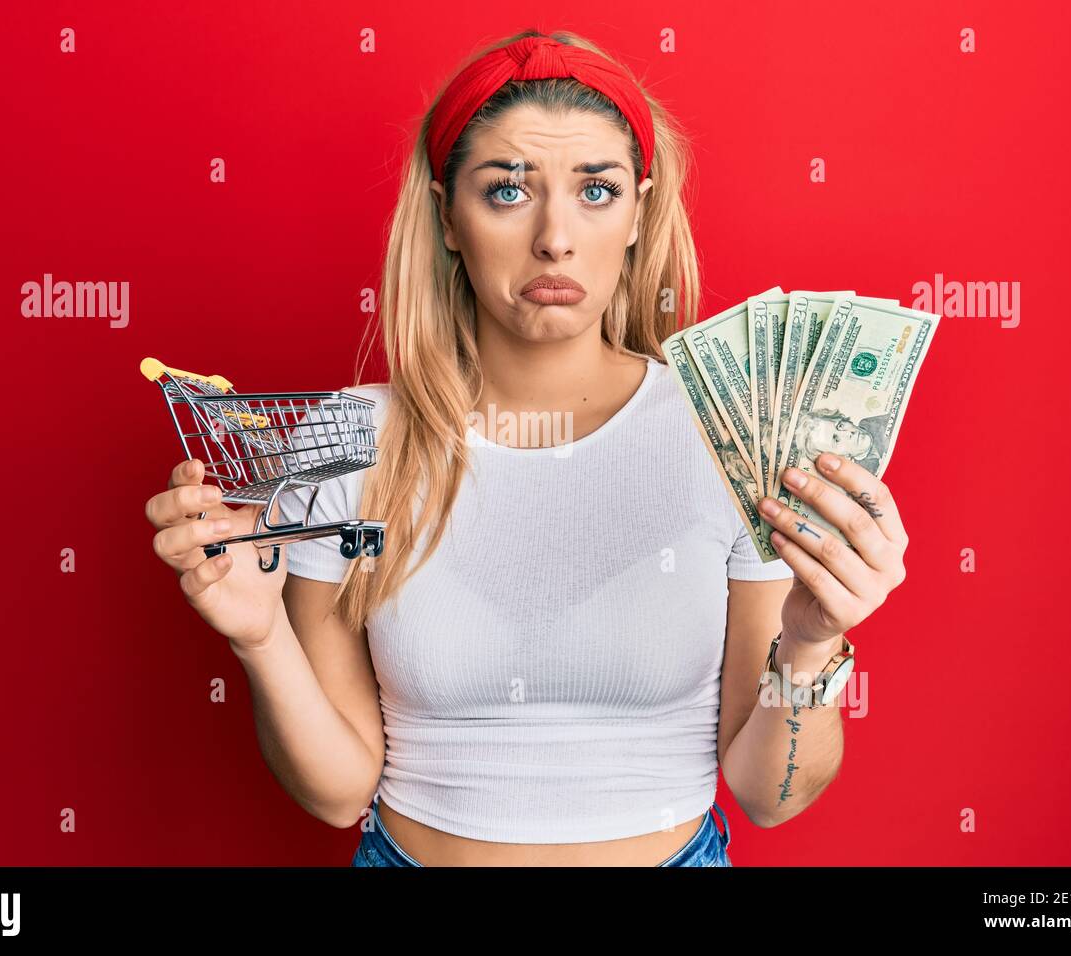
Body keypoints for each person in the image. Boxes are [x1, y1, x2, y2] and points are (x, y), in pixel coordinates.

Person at [144, 29, 910, 866]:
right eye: (507, 191)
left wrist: (808, 642)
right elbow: (336, 793)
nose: (555, 238)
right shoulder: (350, 439)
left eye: (597, 190)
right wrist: (259, 637)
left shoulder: (728, 436)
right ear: (446, 216)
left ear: (639, 214)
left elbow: (770, 796)